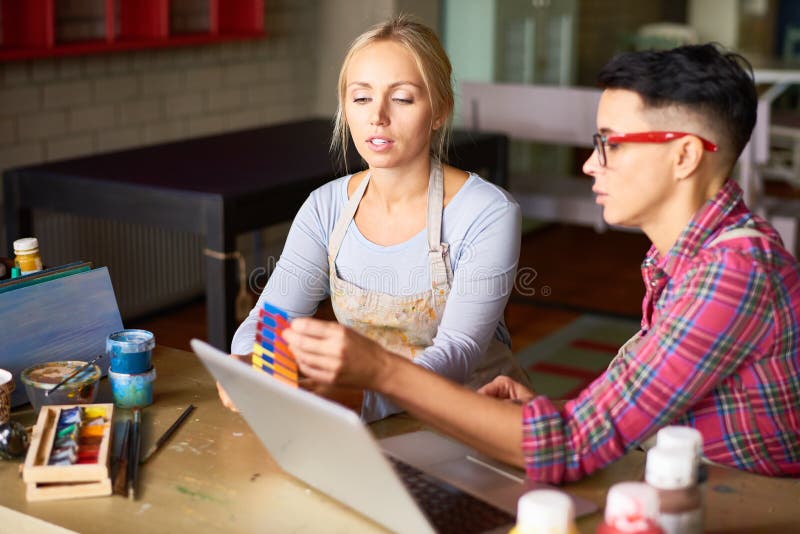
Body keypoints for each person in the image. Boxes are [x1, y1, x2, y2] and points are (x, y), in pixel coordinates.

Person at [284, 43, 800, 482]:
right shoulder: (685, 260)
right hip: (681, 483)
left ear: (685, 156)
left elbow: (573, 446)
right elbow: (620, 415)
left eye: (610, 144)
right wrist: (544, 415)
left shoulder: (732, 272)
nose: (590, 163)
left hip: (740, 508)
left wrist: (378, 371)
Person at [227, 15, 529, 422]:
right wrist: (248, 368)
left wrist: (357, 400)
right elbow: (269, 319)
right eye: (361, 97)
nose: (378, 117)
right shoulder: (325, 206)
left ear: (439, 110)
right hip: (362, 420)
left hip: (471, 420)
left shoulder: (486, 213)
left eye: (402, 98)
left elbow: (458, 351)